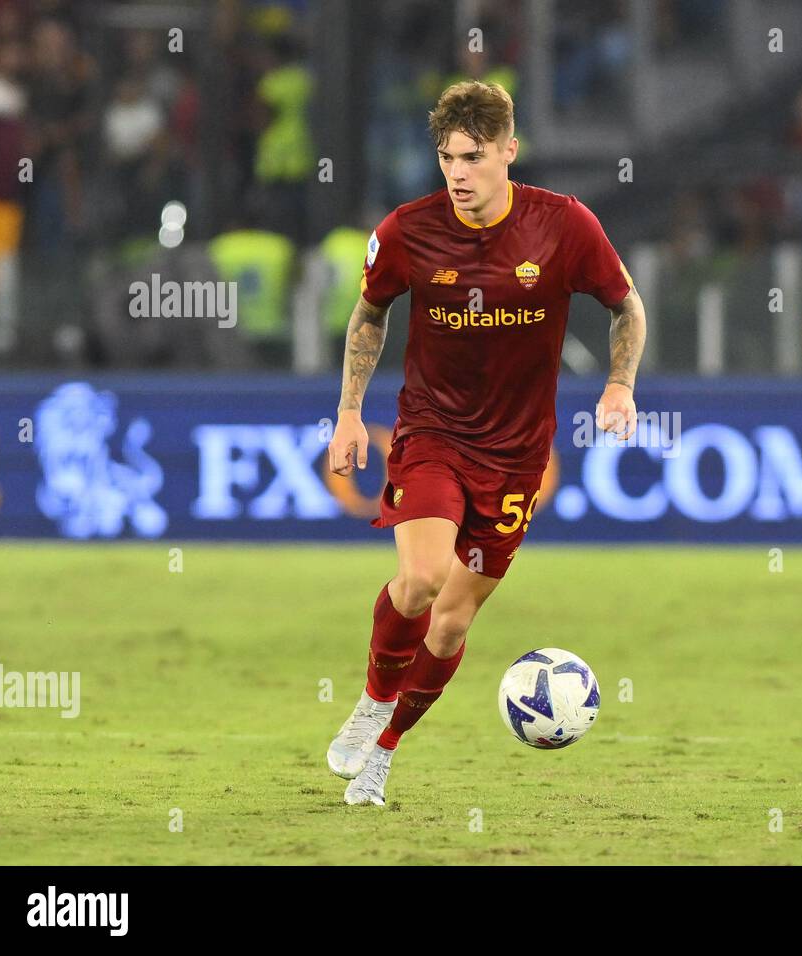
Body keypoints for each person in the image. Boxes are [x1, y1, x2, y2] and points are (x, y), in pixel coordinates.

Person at [325, 81, 646, 806]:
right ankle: (374, 701)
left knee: (452, 623)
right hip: (433, 434)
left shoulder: (563, 226)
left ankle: (383, 750)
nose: (458, 175)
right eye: (446, 159)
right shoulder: (409, 230)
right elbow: (369, 315)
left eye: (472, 157)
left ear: (509, 151)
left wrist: (620, 385)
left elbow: (625, 305)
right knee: (421, 581)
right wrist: (349, 411)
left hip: (516, 458)